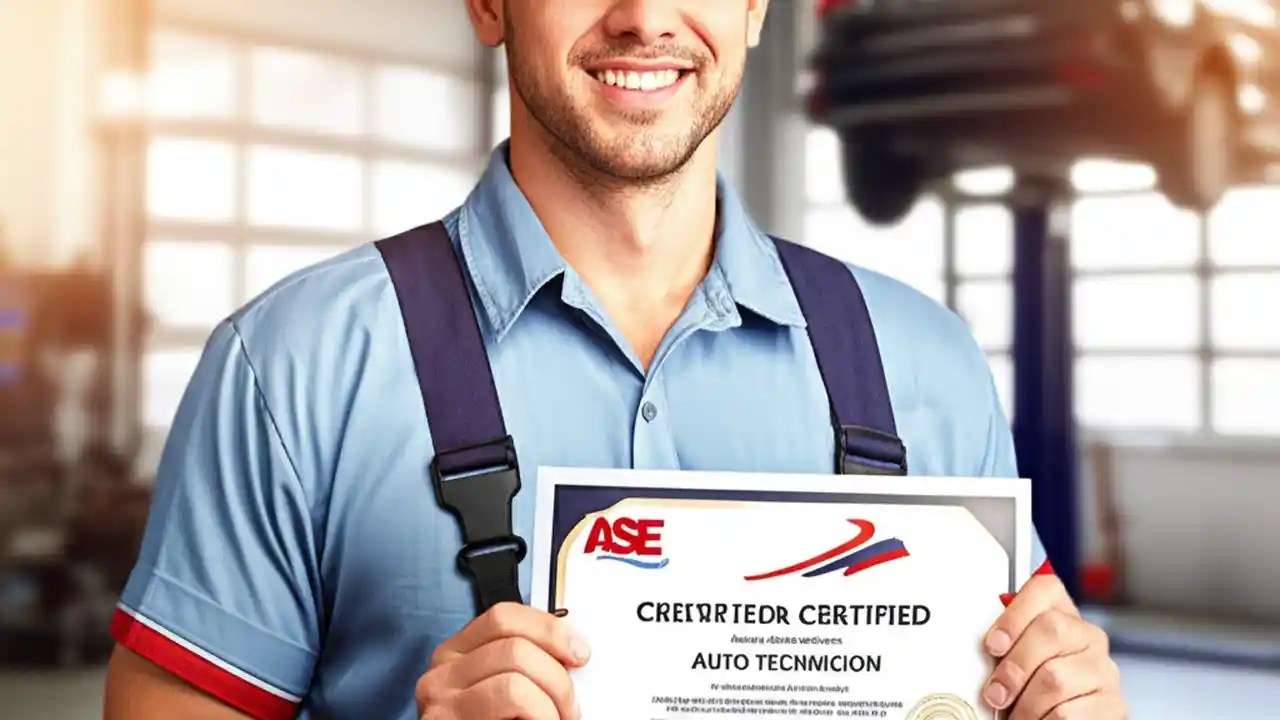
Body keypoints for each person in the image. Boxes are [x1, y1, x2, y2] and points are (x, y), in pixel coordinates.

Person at [103, 1, 1126, 718]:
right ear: (487, 2)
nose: (644, 16)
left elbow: (1019, 681)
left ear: (756, 8)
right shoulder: (291, 367)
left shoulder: (926, 368)